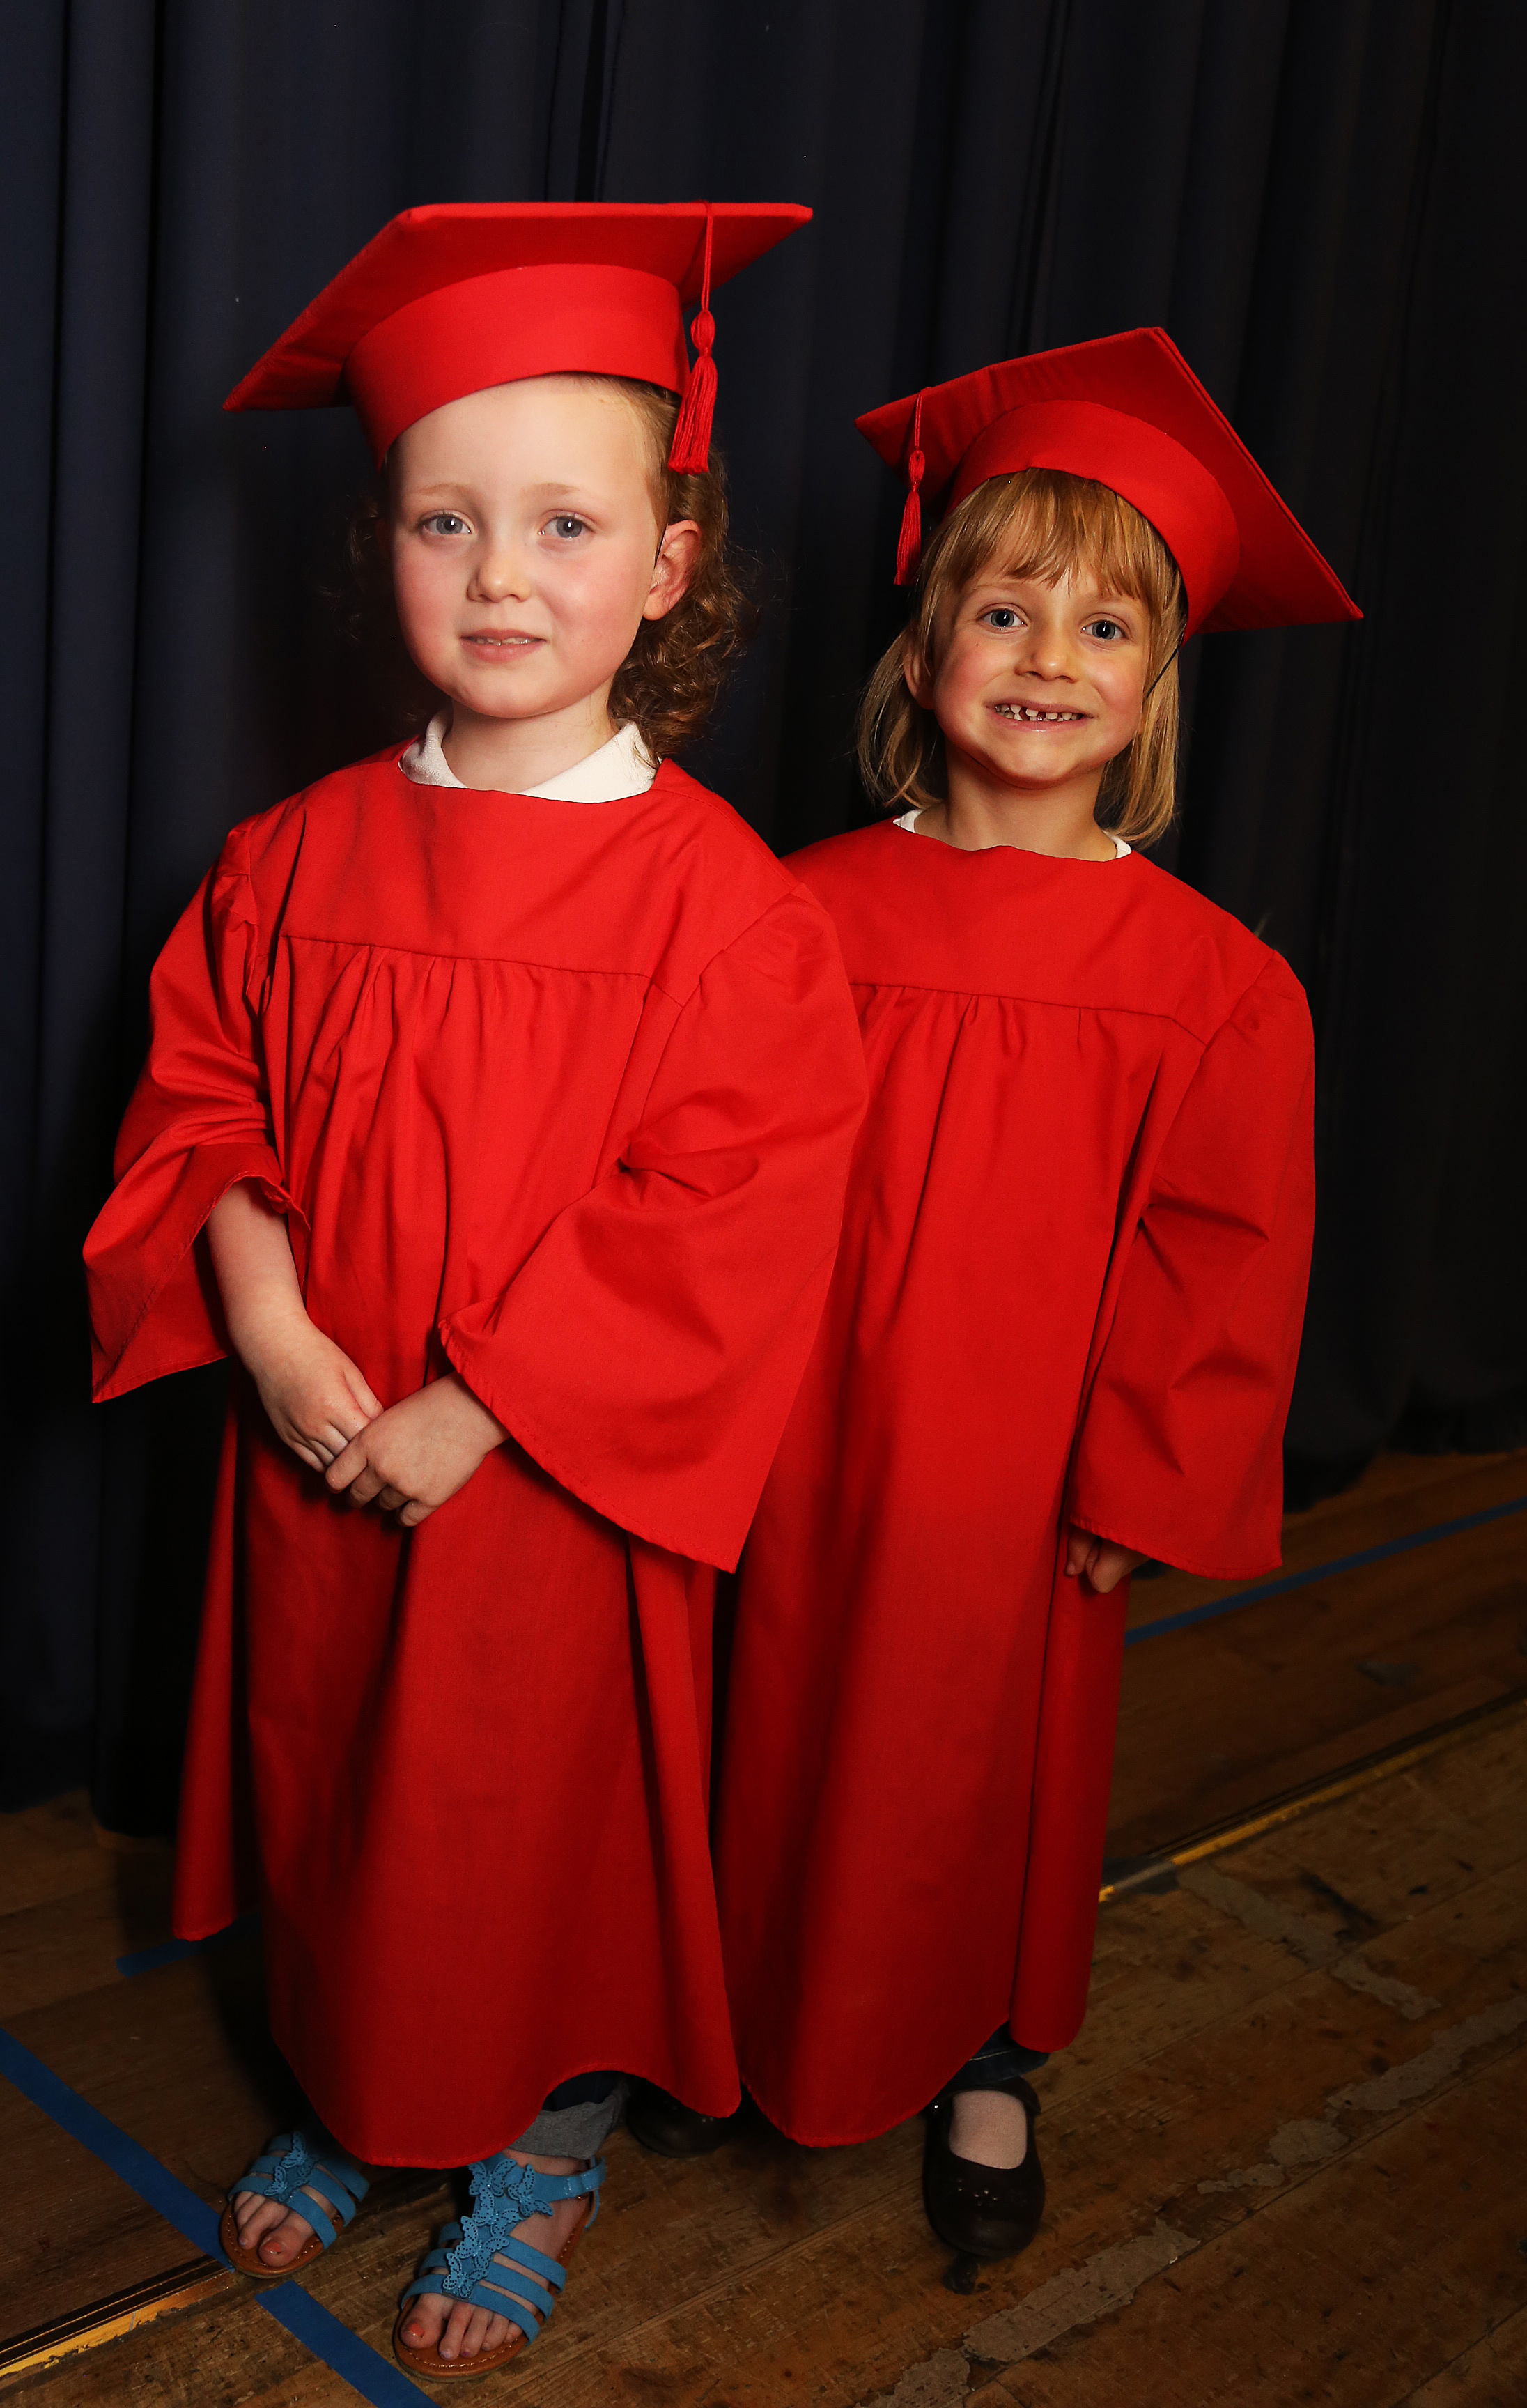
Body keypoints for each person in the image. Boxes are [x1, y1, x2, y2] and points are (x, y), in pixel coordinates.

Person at [83, 200, 865, 2377]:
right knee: (342, 1778)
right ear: (384, 547)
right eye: (448, 518)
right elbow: (201, 1100)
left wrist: (489, 1405)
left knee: (526, 1804)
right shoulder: (294, 854)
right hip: (321, 1421)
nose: (503, 575)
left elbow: (734, 1201)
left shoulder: (728, 908)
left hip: (542, 1472)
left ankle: (534, 2135)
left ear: (672, 562)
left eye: (563, 522)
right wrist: (257, 1309)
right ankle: (362, 2090)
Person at [705, 329, 1357, 2259]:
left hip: (1022, 1473)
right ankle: (725, 2010)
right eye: (1006, 610)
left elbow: (1223, 1256)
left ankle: (986, 2051)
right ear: (926, 646)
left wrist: (1137, 1480)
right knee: (769, 1719)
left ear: (1157, 691)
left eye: (1108, 632)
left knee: (989, 1765)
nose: (1050, 662)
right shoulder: (796, 913)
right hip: (794, 1430)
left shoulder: (1216, 983)